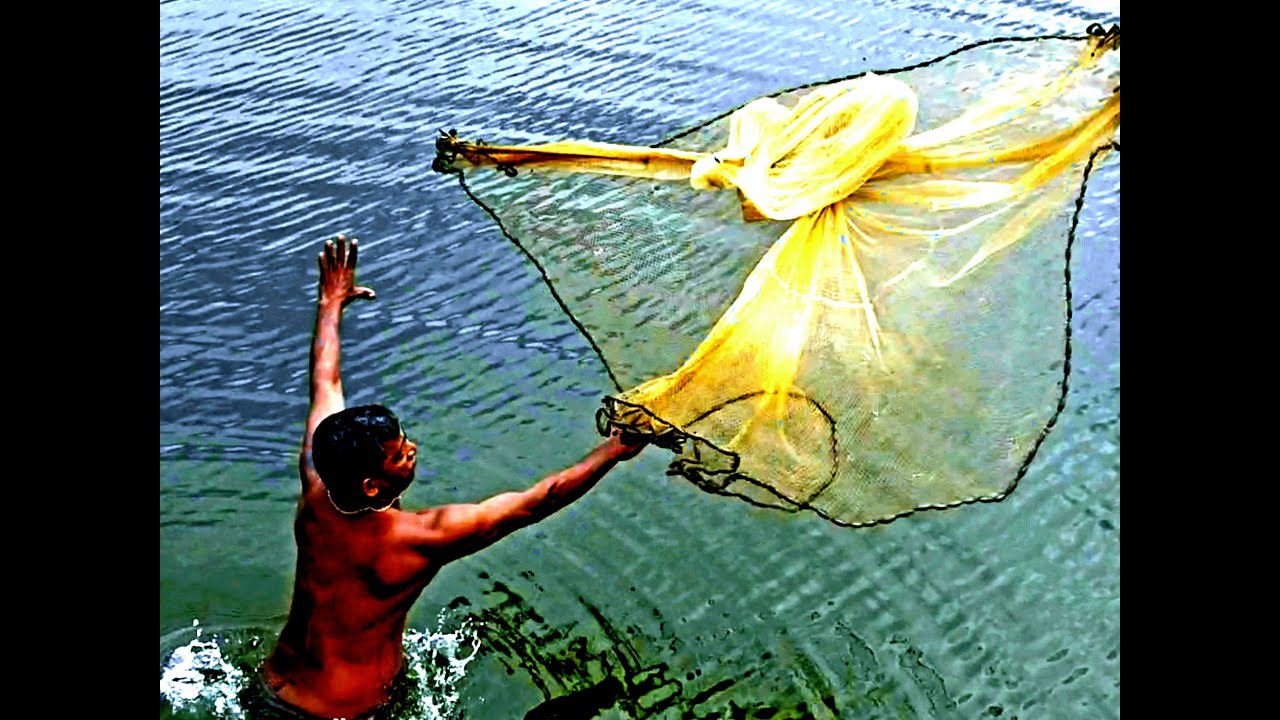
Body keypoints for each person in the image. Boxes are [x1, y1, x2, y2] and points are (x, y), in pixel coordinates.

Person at [250, 235, 648, 719]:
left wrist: (331, 303)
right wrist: (614, 450)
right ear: (372, 485)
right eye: (400, 455)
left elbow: (325, 381)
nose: (412, 449)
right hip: (345, 712)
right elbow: (536, 501)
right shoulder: (417, 538)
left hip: (274, 688)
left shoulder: (318, 483)